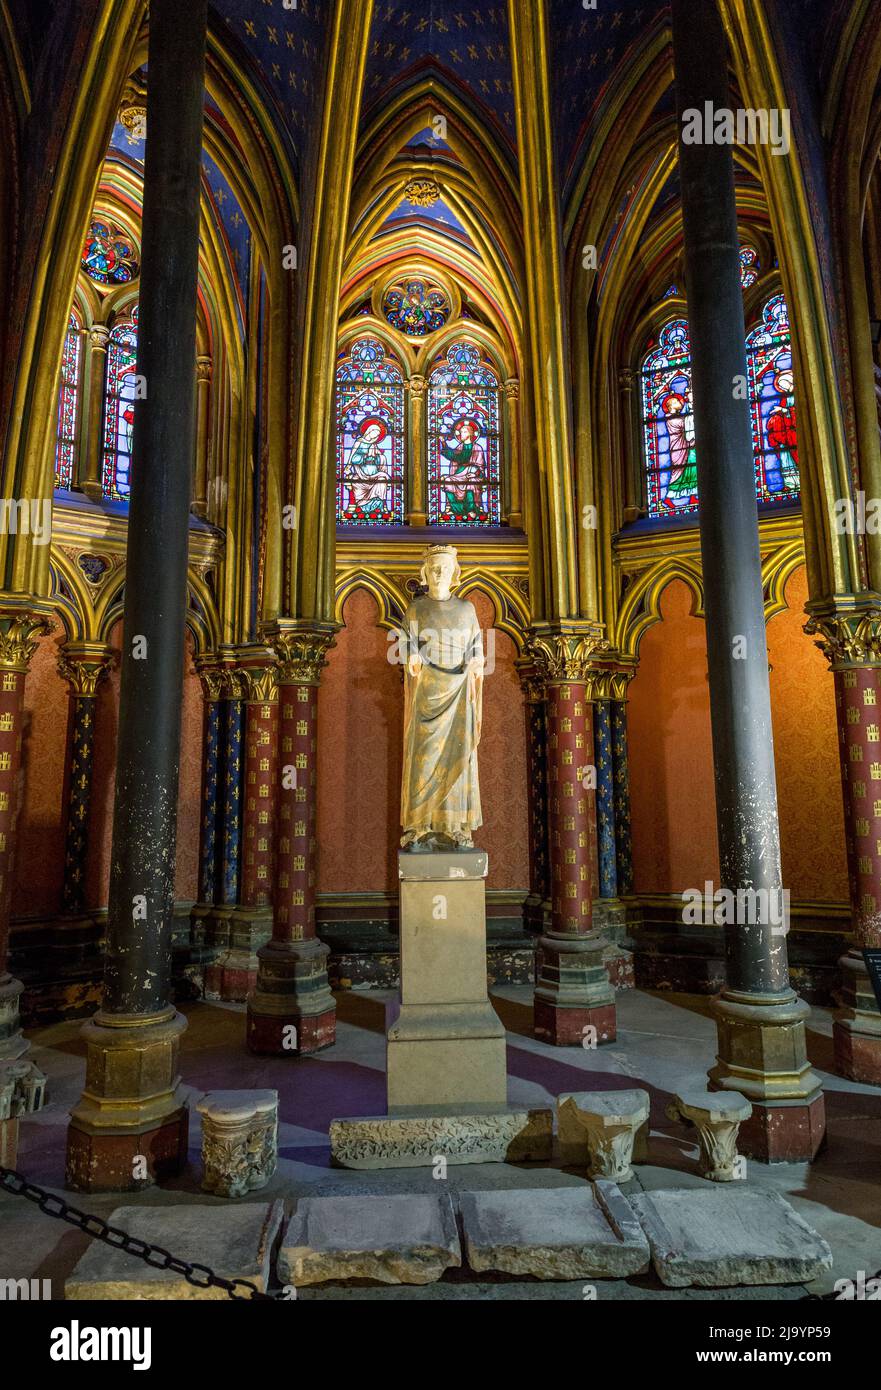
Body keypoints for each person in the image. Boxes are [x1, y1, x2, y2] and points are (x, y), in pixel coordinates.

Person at [400, 544, 483, 850]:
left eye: (445, 568)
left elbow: (476, 645)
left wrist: (475, 661)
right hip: (428, 694)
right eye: (434, 568)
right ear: (426, 572)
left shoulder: (466, 609)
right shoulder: (417, 609)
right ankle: (420, 826)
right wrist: (411, 655)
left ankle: (455, 827)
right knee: (424, 760)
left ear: (453, 573)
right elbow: (406, 642)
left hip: (459, 692)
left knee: (459, 759)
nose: (439, 573)